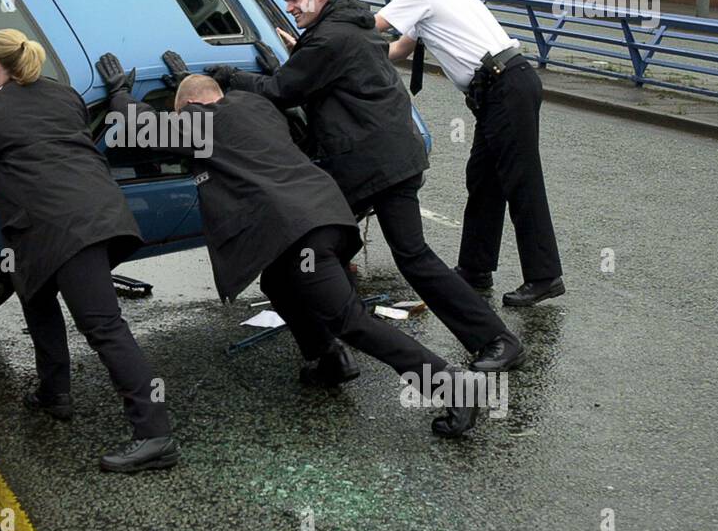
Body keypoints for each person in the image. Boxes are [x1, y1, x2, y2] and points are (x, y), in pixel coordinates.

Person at [99, 53, 484, 437]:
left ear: (192, 108)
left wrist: (120, 93)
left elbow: (139, 125)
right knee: (279, 284)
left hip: (298, 232)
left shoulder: (199, 125)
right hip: (326, 216)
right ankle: (328, 358)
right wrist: (187, 78)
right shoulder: (257, 106)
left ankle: (454, 386)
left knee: (349, 320)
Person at [205, 0, 525, 375]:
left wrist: (232, 77)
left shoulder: (330, 38)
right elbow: (318, 78)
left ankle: (494, 340)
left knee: (392, 252)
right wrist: (295, 57)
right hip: (384, 156)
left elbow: (284, 90)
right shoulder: (348, 26)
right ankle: (338, 340)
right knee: (342, 246)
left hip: (373, 163)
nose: (289, 7)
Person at [0, 29, 178, 473]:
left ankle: (155, 435)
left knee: (104, 327)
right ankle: (54, 393)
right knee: (37, 298)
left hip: (65, 228)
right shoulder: (64, 97)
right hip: (86, 216)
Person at [375, 0, 565, 308]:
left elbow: (376, 24)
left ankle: (544, 276)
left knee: (521, 181)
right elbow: (398, 48)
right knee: (483, 181)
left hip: (506, 85)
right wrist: (353, 55)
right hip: (498, 90)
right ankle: (475, 269)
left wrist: (327, 38)